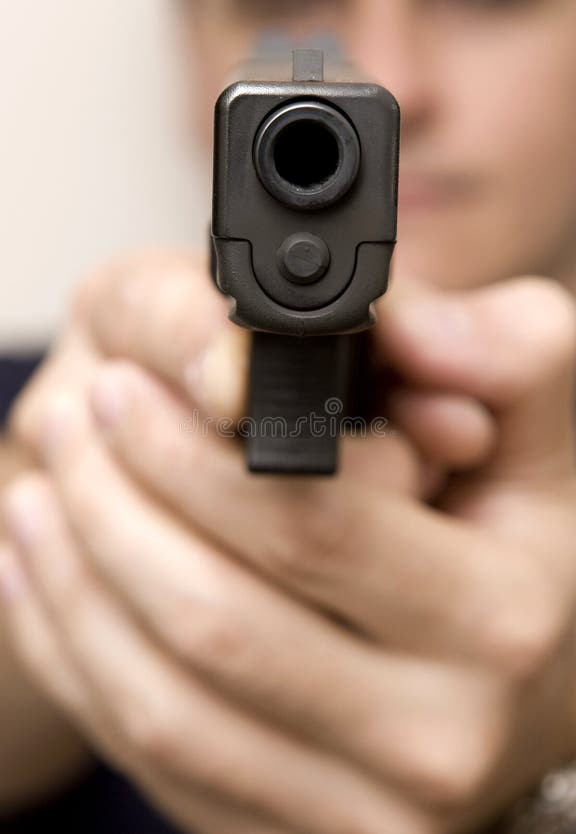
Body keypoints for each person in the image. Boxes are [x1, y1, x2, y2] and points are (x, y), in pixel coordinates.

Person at [2, 0, 576, 831]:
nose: (396, 86)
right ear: (191, 68)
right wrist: (37, 590)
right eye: (281, 1)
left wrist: (552, 776)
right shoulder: (39, 420)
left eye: (485, 1)